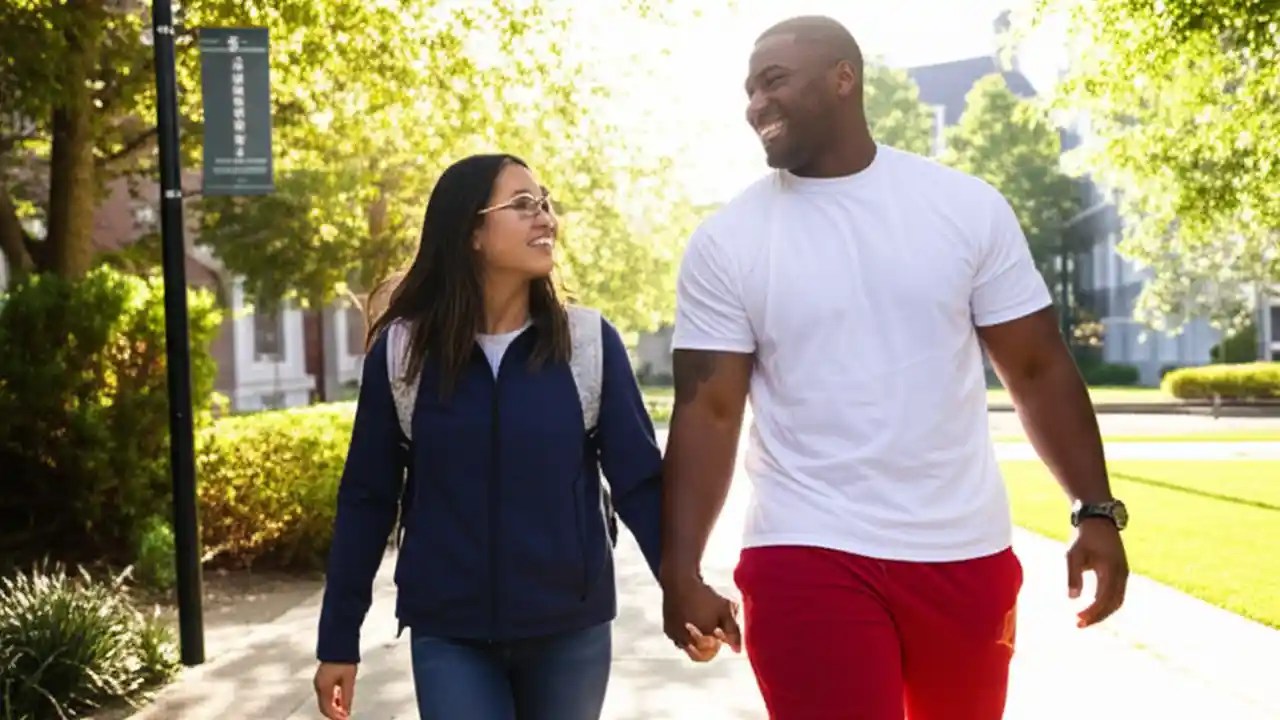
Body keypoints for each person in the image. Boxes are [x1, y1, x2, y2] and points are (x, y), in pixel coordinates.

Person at [659, 15, 1131, 720]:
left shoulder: (964, 207)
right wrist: (681, 568)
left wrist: (1095, 509)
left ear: (843, 78)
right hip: (804, 547)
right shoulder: (729, 240)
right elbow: (709, 409)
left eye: (773, 81)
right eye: (749, 89)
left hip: (962, 551)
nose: (754, 103)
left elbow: (1034, 367)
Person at [311, 153, 714, 720]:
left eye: (545, 203)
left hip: (569, 630)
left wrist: (685, 588)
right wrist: (337, 640)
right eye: (523, 205)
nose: (545, 217)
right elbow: (366, 500)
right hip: (450, 631)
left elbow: (641, 485)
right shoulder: (404, 354)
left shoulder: (588, 342)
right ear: (472, 231)